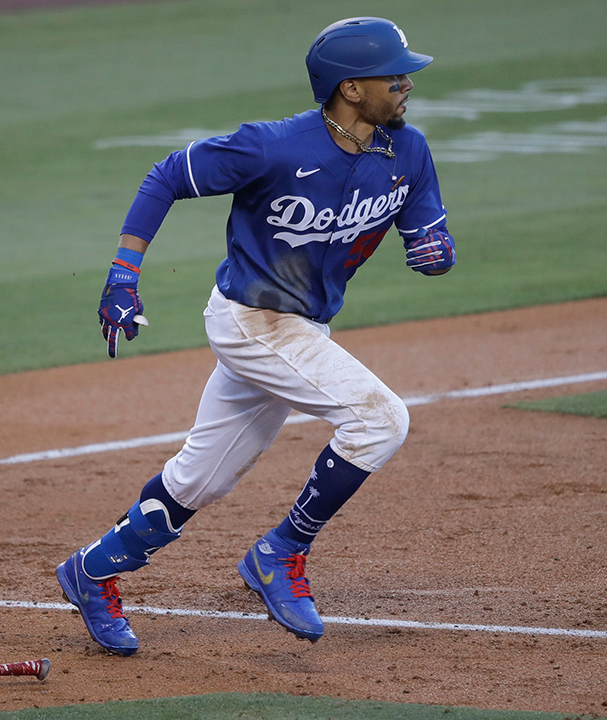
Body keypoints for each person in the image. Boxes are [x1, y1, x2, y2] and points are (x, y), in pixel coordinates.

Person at [56, 17, 456, 656]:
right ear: (351, 88)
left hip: (303, 325)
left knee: (200, 481)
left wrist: (434, 247)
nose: (408, 84)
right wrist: (123, 273)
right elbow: (167, 176)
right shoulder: (273, 147)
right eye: (395, 76)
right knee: (380, 419)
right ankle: (281, 551)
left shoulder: (406, 150)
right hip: (252, 320)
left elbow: (425, 223)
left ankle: (92, 571)